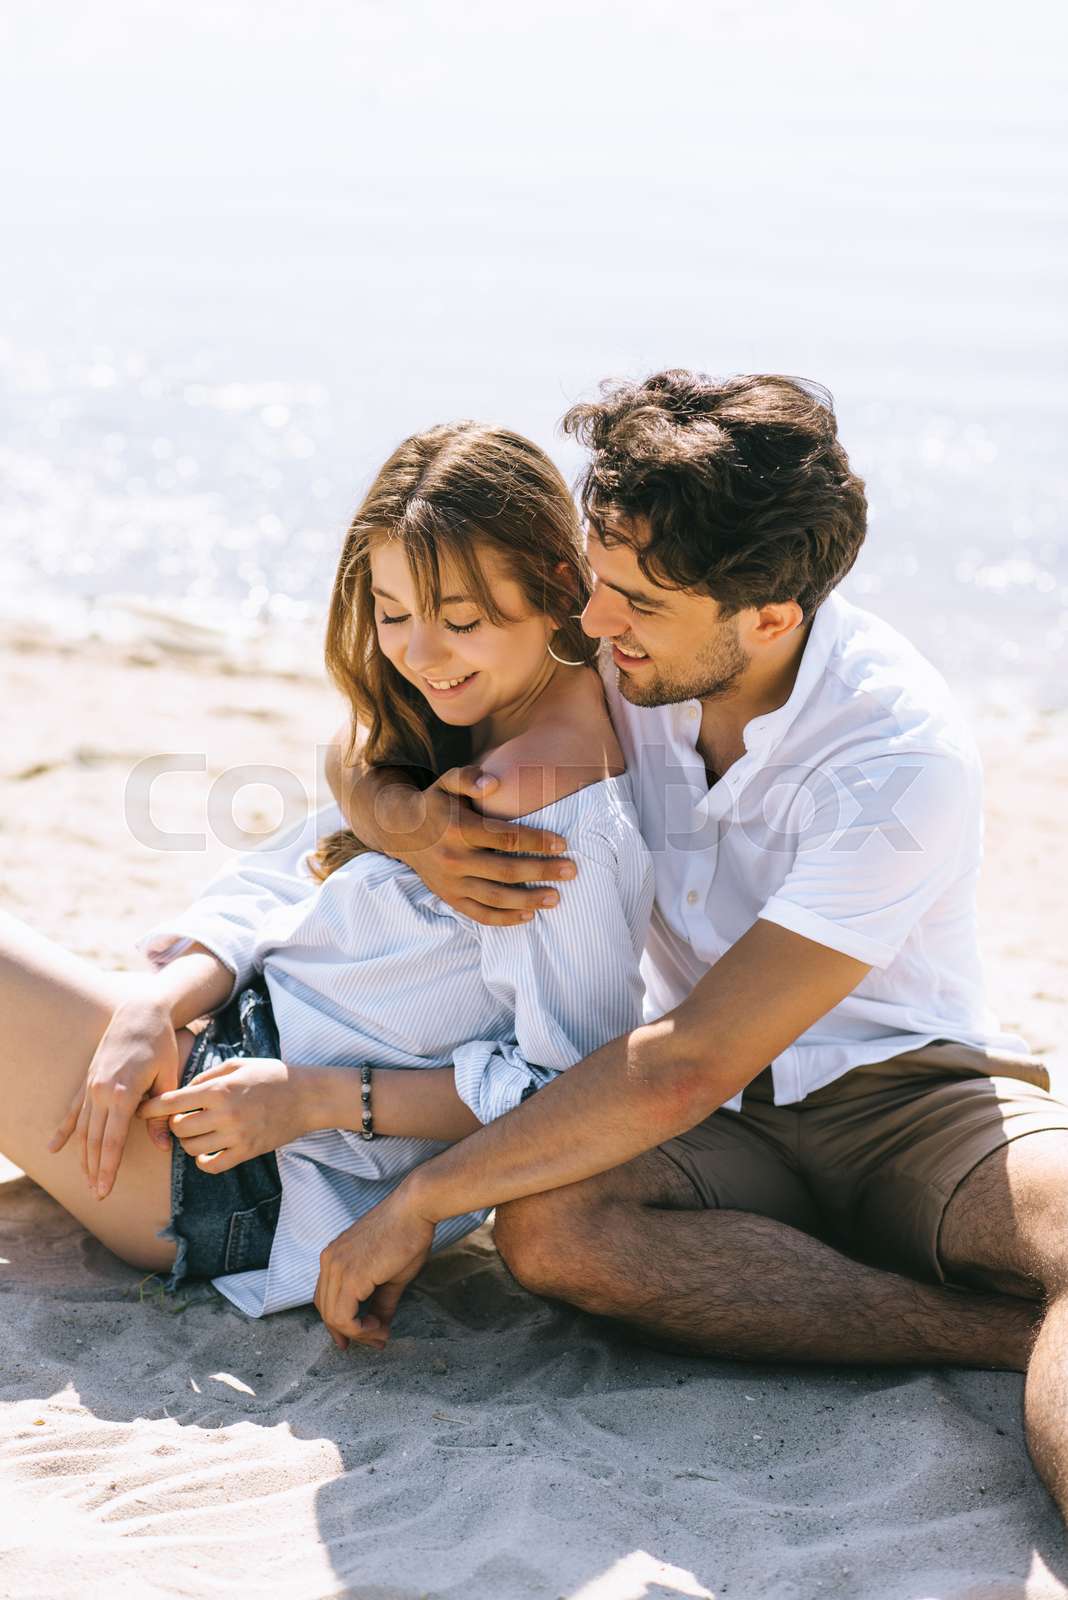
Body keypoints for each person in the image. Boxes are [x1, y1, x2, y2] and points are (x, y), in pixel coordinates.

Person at [322, 372, 1068, 1517]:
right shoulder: (623, 660)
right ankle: (1000, 1336)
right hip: (713, 1125)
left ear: (770, 615)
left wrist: (421, 1200)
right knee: (550, 1230)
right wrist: (410, 825)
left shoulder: (896, 755)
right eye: (601, 580)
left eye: (636, 603)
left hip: (910, 1099)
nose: (594, 621)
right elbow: (357, 740)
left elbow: (687, 1058)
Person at [0, 421, 652, 1322]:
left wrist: (313, 1098)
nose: (420, 656)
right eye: (392, 615)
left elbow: (569, 1096)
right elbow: (289, 878)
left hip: (249, 1171)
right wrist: (165, 998)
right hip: (223, 1043)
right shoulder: (467, 727)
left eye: (460, 620)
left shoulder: (548, 824)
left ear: (559, 587)